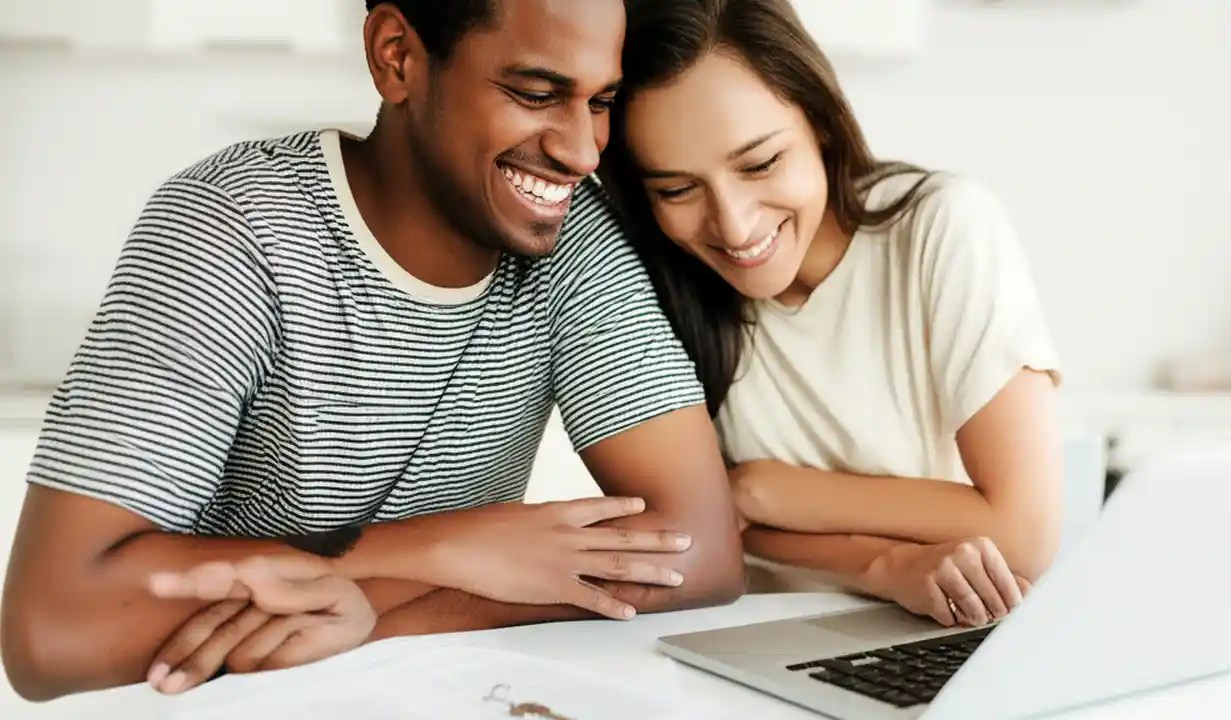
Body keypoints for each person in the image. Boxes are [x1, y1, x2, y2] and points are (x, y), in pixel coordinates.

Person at [0, 0, 746, 701]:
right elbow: (49, 630)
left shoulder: (571, 243)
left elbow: (702, 551)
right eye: (534, 91)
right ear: (397, 58)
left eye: (599, 102)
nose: (582, 152)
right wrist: (438, 549)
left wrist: (376, 616)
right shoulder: (233, 229)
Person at [600, 0, 1064, 630]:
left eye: (760, 163)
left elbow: (1024, 532)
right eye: (677, 189)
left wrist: (766, 489)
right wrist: (882, 566)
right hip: (751, 634)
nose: (734, 225)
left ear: (820, 122)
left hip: (939, 632)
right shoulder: (661, 282)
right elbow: (704, 534)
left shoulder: (941, 228)